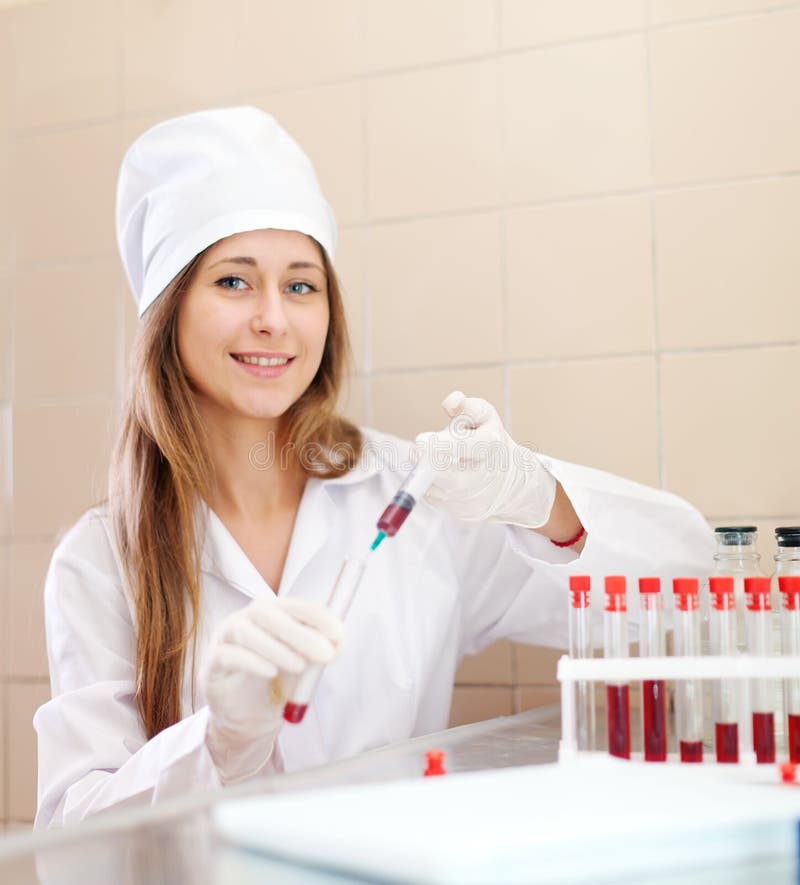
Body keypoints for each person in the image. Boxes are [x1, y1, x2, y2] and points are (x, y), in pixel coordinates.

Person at [33, 106, 714, 830]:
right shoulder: (101, 559)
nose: (274, 319)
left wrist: (539, 499)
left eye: (301, 285)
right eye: (233, 282)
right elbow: (73, 839)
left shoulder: (414, 494)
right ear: (168, 311)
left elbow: (693, 585)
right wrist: (216, 744)